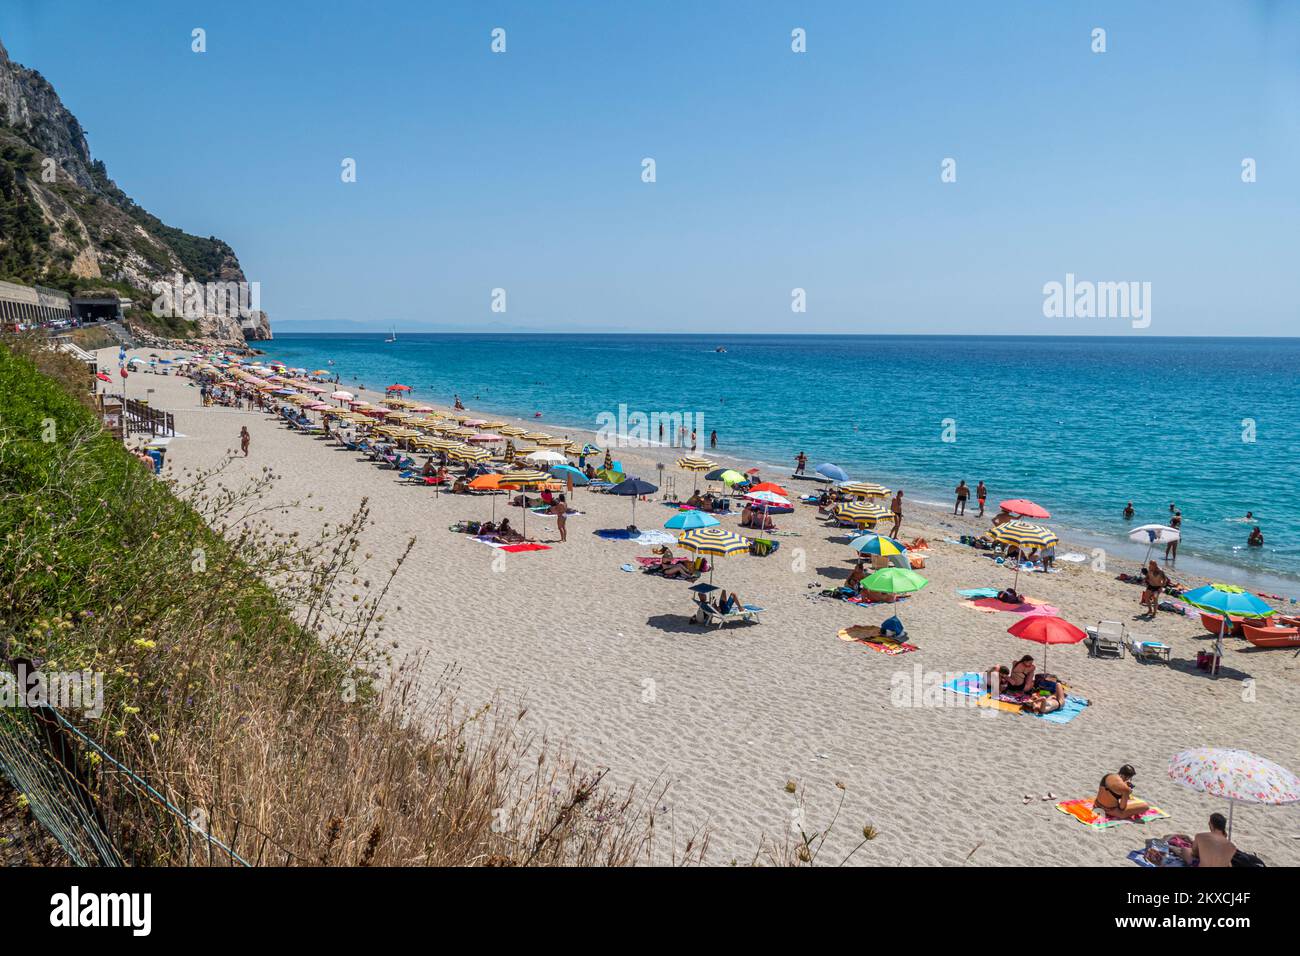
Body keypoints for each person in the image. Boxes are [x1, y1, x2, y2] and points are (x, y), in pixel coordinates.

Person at [1172, 813, 1236, 867]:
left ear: (1211, 824)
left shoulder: (1200, 836)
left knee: (1185, 849)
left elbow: (1194, 853)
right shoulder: (1232, 847)